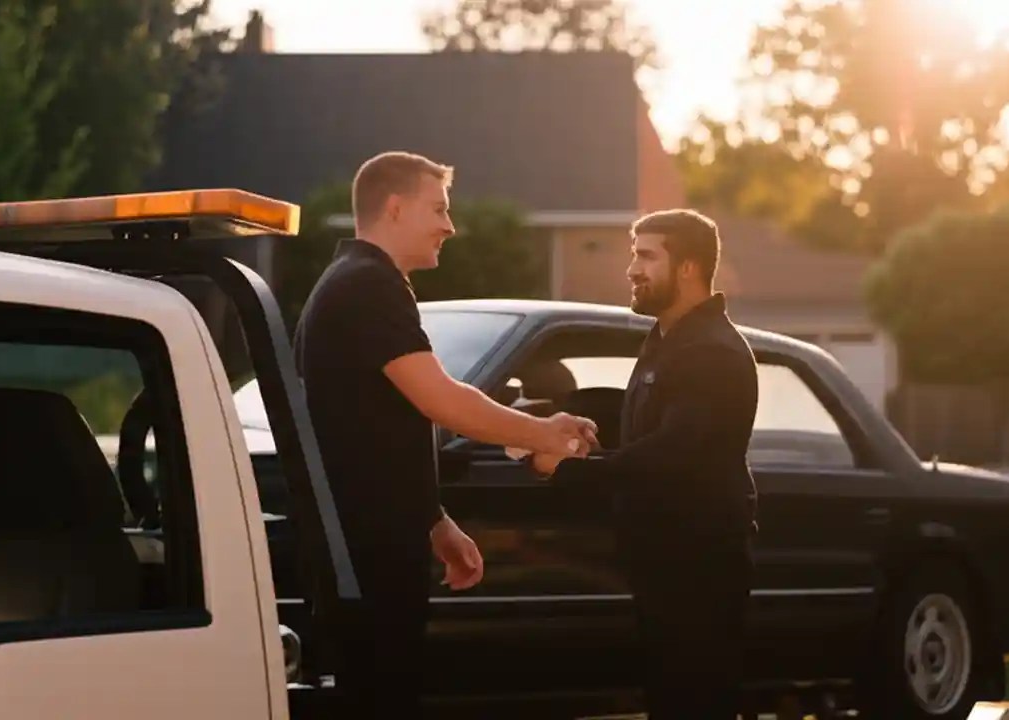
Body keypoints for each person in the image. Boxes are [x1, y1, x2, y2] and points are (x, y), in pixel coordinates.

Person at [293, 150, 595, 718]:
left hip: (367, 542)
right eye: (439, 209)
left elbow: (378, 426)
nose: (449, 226)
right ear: (396, 208)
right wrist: (545, 434)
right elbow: (444, 400)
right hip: (366, 551)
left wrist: (433, 519)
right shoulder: (367, 286)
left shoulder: (353, 282)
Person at [527, 209, 759, 720]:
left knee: (694, 700)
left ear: (688, 269)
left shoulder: (712, 352)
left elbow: (673, 453)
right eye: (634, 254)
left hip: (699, 564)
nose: (632, 268)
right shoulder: (669, 340)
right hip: (664, 562)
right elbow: (649, 430)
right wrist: (572, 430)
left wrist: (568, 470)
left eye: (647, 255)